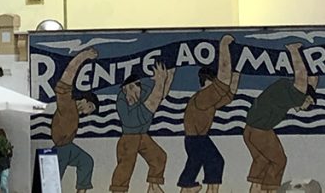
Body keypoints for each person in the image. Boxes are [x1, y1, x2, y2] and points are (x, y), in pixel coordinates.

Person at [243, 43, 318, 193]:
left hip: (248, 130)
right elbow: (302, 75)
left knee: (262, 161)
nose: (304, 108)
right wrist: (294, 50)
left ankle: (258, 189)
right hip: (261, 132)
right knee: (279, 161)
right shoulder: (297, 94)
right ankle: (270, 190)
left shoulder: (284, 92)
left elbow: (312, 80)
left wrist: (312, 86)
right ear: (306, 97)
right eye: (308, 104)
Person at [179, 34, 241, 193]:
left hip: (197, 139)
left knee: (199, 163)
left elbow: (228, 97)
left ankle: (190, 186)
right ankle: (192, 187)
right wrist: (224, 46)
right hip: (196, 139)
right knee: (213, 161)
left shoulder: (207, 101)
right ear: (208, 82)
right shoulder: (203, 96)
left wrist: (236, 75)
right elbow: (223, 80)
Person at [110, 62, 174, 193]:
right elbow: (140, 115)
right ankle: (118, 190)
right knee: (126, 166)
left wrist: (169, 76)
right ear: (125, 88)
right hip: (129, 138)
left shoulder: (143, 90)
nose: (134, 90)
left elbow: (160, 96)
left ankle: (153, 187)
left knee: (159, 156)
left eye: (136, 86)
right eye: (130, 87)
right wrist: (160, 82)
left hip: (143, 136)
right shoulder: (121, 101)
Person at [52, 47, 99, 193]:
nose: (88, 112)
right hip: (61, 148)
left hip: (68, 146)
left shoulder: (75, 112)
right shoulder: (67, 103)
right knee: (53, 182)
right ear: (85, 100)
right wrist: (83, 56)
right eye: (90, 107)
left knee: (86, 161)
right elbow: (65, 81)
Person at [0, 128, 12, 193]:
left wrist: (7, 152)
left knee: (3, 183)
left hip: (5, 166)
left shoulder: (7, 143)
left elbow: (10, 154)